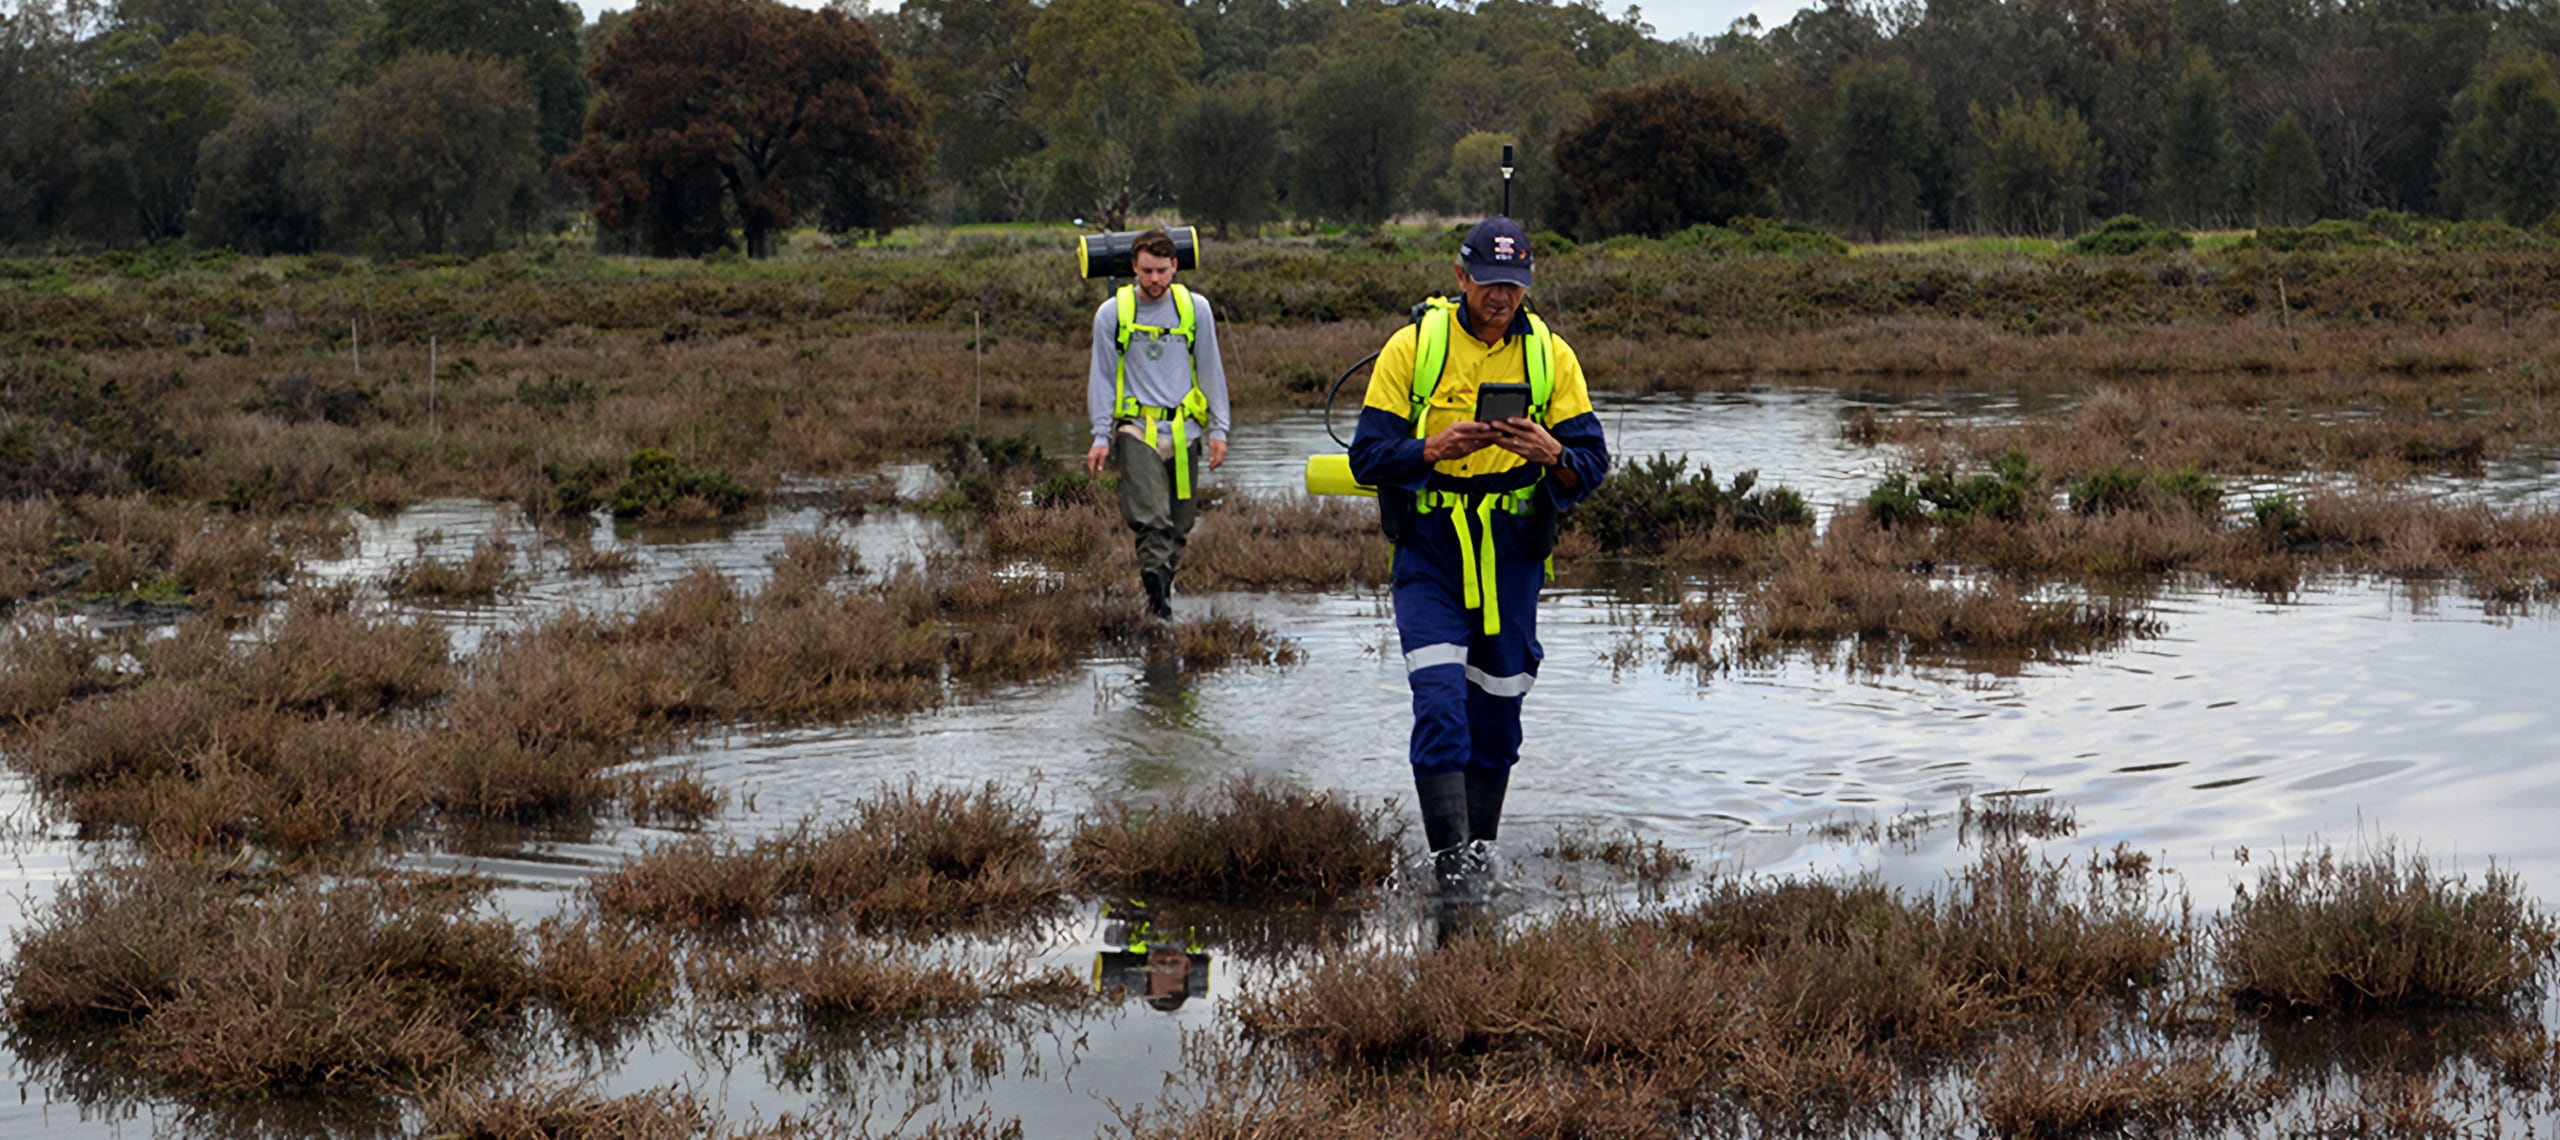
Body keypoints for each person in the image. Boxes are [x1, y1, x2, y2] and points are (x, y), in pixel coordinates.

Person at [1347, 216, 1609, 894]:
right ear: (1460, 277)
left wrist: (1552, 453)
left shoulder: (1552, 356)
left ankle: (1480, 856)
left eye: (1513, 285)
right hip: (1429, 550)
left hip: (1513, 553)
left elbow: (1592, 465)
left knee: (1497, 713)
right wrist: (1430, 449)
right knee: (1440, 702)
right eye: (1489, 282)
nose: (1501, 297)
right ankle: (1451, 872)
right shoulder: (1413, 347)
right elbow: (1366, 457)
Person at [1086, 228, 1232, 620]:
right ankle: (1160, 612)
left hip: (1185, 432)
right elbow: (1102, 377)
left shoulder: (1195, 309)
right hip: (1137, 431)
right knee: (1152, 520)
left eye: (1162, 271)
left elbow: (1211, 369)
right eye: (1147, 270)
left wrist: (1219, 430)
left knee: (1179, 527)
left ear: (1175, 267)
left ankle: (1159, 599)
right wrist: (1100, 435)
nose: (1154, 279)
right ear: (1134, 267)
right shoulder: (1112, 314)